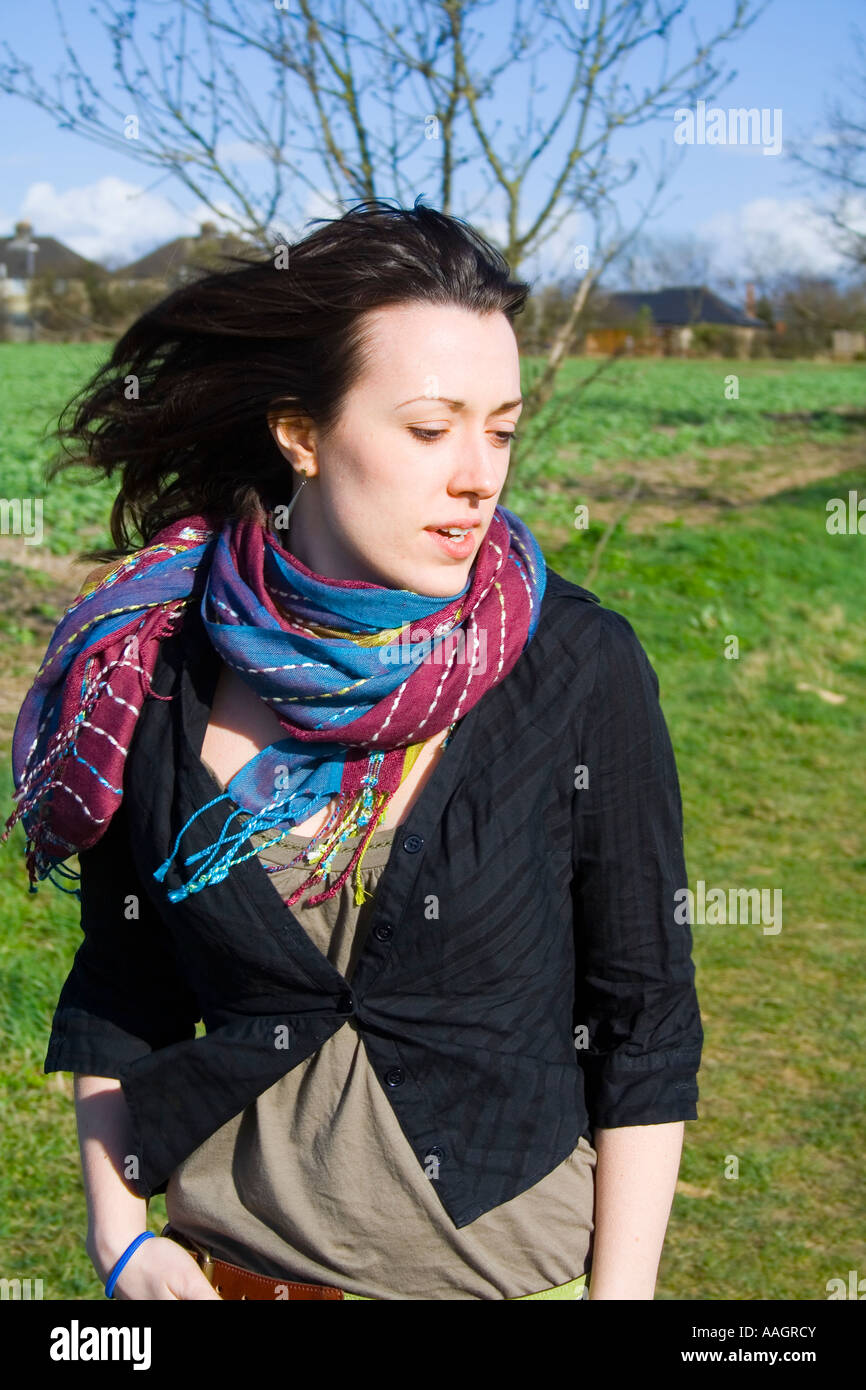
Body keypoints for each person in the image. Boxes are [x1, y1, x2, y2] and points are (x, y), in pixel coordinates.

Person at [4, 198, 703, 1301]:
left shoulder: (577, 665)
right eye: (430, 430)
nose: (478, 475)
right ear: (301, 433)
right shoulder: (157, 664)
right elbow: (122, 981)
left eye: (501, 429)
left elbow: (645, 1018)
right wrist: (118, 1235)